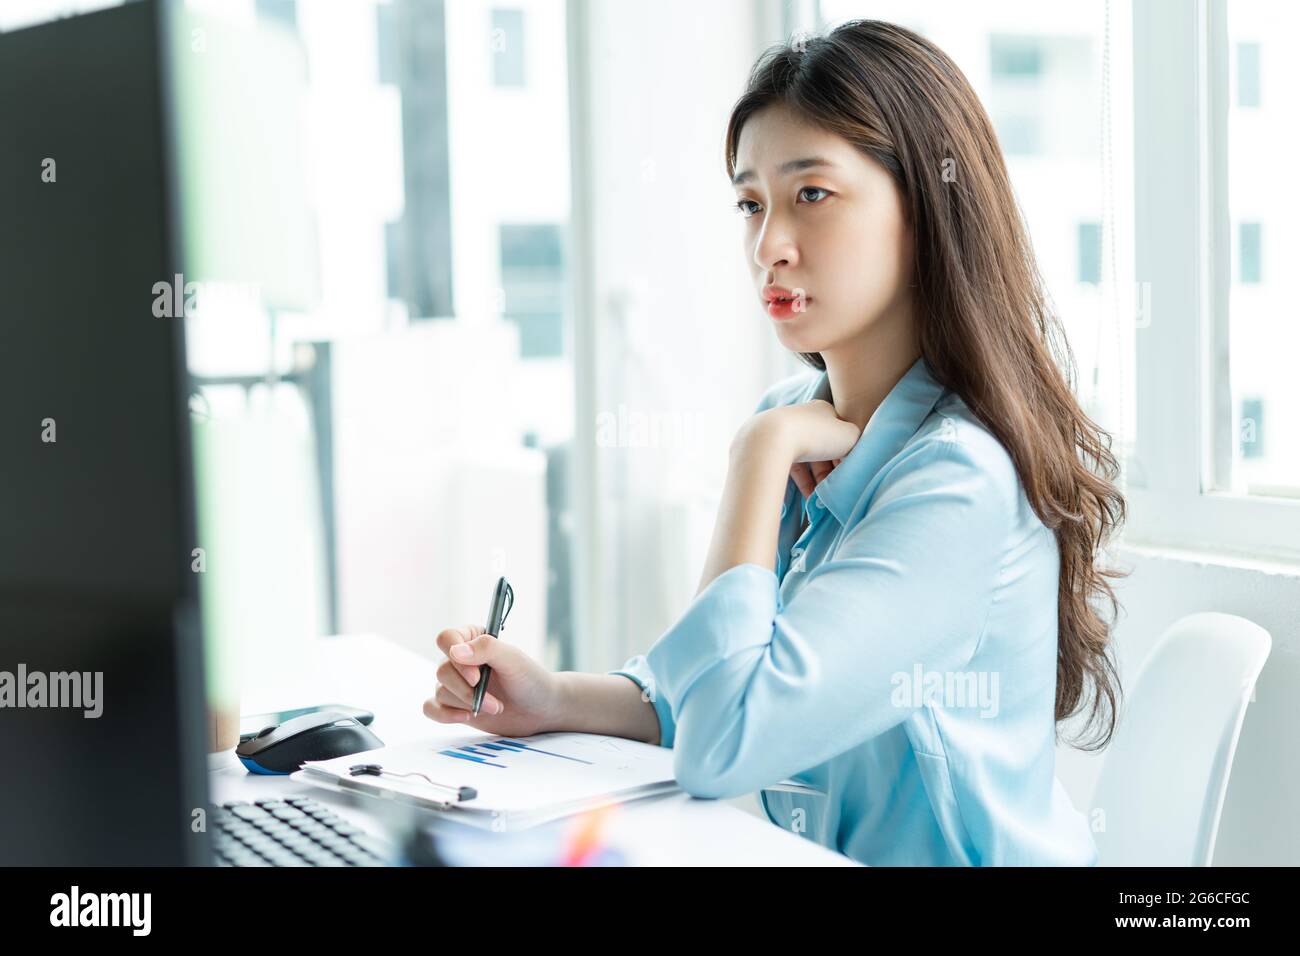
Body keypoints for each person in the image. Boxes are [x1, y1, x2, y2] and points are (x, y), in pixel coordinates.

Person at [422, 19, 1126, 866]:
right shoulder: (802, 413)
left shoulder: (955, 479)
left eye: (811, 196)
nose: (769, 247)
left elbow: (728, 742)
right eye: (751, 202)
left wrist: (755, 457)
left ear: (926, 207)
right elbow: (712, 686)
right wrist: (553, 698)